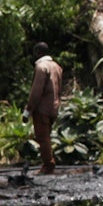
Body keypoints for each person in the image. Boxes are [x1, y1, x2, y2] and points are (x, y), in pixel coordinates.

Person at [24, 42, 63, 175]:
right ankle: (47, 164)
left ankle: (48, 165)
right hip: (54, 107)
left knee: (43, 137)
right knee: (47, 136)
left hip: (42, 108)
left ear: (38, 52)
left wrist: (28, 110)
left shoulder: (41, 67)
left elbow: (36, 91)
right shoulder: (57, 66)